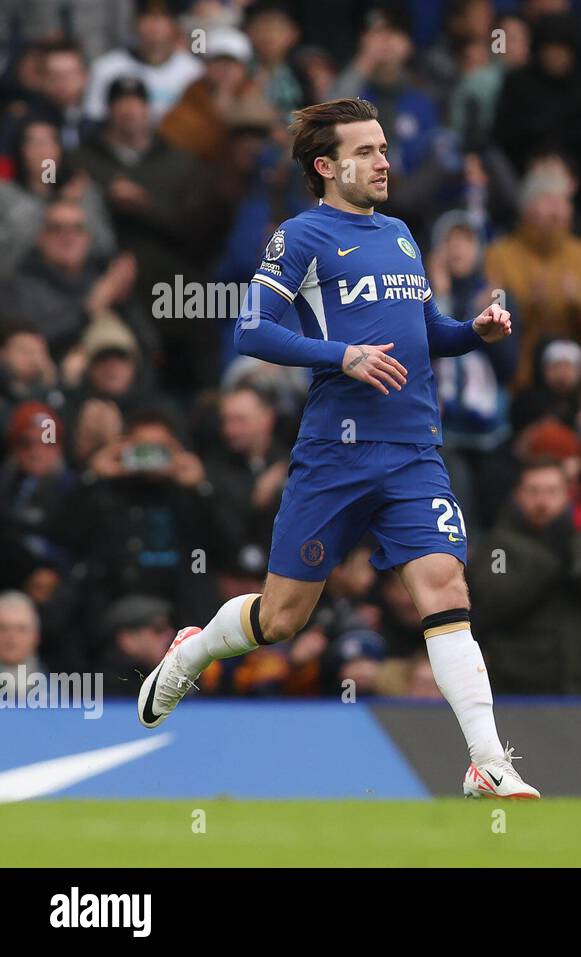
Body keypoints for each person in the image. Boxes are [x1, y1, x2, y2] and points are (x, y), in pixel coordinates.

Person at [133, 98, 537, 800]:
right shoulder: (302, 237)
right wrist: (340, 354)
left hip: (414, 449)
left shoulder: (404, 235)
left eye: (385, 147)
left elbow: (422, 328)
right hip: (336, 454)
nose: (385, 161)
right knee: (281, 619)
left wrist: (473, 331)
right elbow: (252, 330)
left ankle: (487, 760)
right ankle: (193, 649)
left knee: (445, 587)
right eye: (367, 151)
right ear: (326, 165)